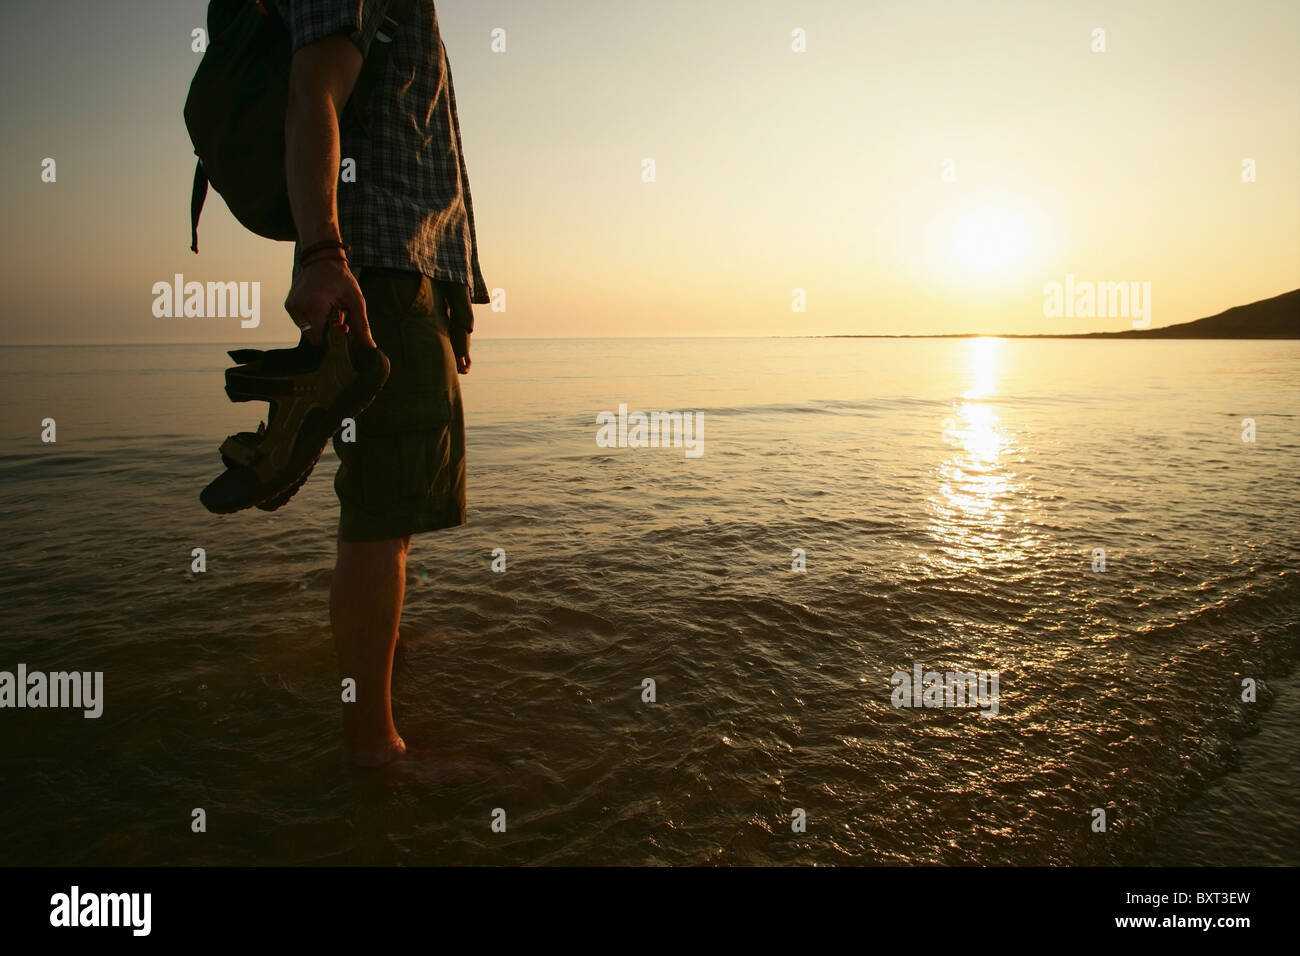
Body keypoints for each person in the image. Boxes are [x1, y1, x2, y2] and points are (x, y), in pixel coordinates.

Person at [272, 0, 489, 766]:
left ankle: (379, 661)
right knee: (379, 507)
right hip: (377, 267)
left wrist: (458, 293)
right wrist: (324, 254)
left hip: (414, 269)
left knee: (392, 504)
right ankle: (372, 745)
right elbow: (315, 86)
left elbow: (434, 151)